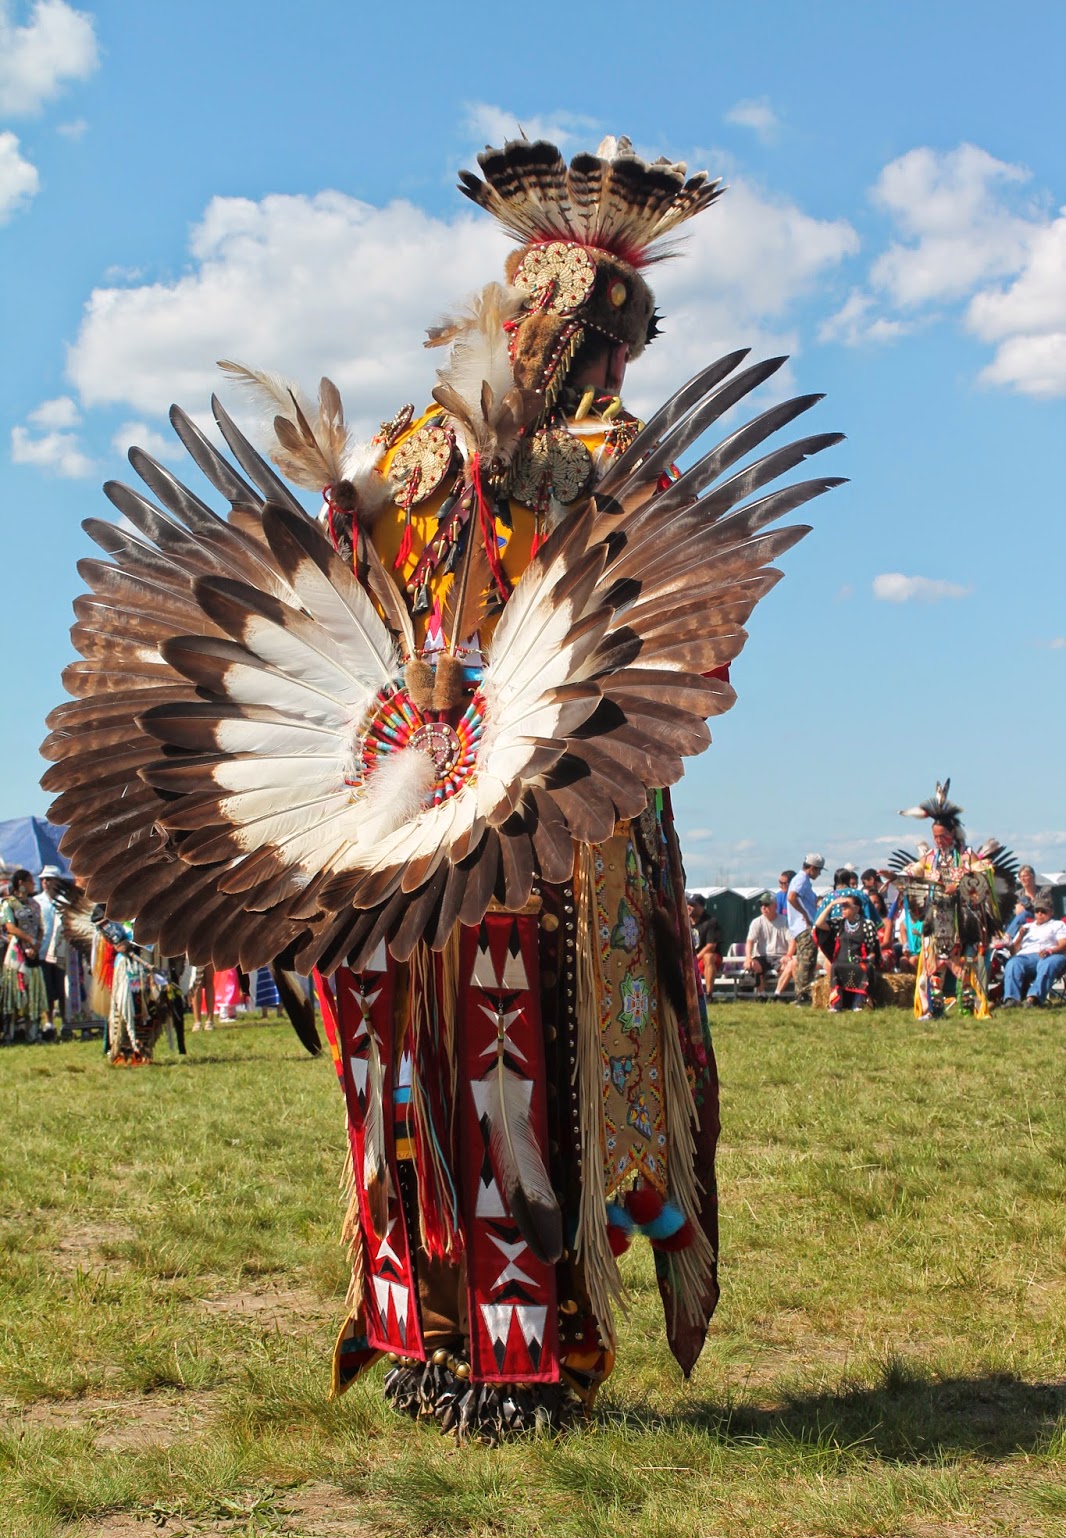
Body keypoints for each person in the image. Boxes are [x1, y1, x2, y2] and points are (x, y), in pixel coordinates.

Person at [44, 134, 842, 1438]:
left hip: (465, 814)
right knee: (470, 1072)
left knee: (463, 1072)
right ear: (590, 335)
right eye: (603, 338)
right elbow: (679, 630)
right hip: (500, 827)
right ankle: (497, 1351)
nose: (589, 359)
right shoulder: (520, 453)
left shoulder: (451, 448)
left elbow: (360, 552)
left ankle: (460, 1341)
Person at [892, 779, 1004, 1020]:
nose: (938, 841)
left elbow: (983, 871)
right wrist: (901, 875)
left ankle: (972, 1007)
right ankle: (931, 1010)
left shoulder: (966, 856)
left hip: (963, 921)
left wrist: (961, 883)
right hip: (936, 919)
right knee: (931, 967)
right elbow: (915, 869)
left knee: (968, 965)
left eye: (942, 836)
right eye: (935, 837)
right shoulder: (930, 857)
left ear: (952, 833)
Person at [814, 891, 881, 1011]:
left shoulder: (867, 925)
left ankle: (858, 1002)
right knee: (835, 966)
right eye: (842, 906)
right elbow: (819, 924)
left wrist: (866, 959)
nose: (842, 909)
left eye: (846, 906)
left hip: (861, 962)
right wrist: (831, 905)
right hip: (841, 961)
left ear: (856, 909)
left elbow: (873, 950)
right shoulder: (839, 923)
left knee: (864, 968)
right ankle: (837, 1003)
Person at [1, 870, 47, 1043]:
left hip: (33, 953)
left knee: (34, 992)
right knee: (13, 993)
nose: (33, 885)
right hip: (16, 953)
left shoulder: (35, 904)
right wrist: (29, 939)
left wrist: (36, 944)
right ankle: (9, 1034)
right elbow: (10, 927)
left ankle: (33, 1034)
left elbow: (41, 927)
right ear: (21, 882)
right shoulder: (9, 904)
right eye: (30, 881)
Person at [1000, 898, 1066, 1008]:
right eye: (1037, 911)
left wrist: (1050, 951)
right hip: (1026, 957)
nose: (1040, 914)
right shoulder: (1027, 927)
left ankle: (1034, 998)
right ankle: (1012, 999)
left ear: (1051, 912)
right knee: (1013, 963)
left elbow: (1063, 944)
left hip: (1052, 955)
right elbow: (1013, 952)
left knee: (1047, 963)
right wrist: (1020, 936)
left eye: (1043, 911)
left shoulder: (1057, 924)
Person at [786, 853, 825, 1005]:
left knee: (807, 960)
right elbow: (792, 897)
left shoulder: (801, 879)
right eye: (819, 870)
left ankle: (805, 994)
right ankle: (802, 995)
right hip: (804, 927)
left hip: (801, 927)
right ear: (812, 868)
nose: (819, 873)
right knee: (806, 961)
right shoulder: (802, 879)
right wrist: (805, 914)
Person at [35, 865, 68, 1036]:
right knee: (47, 989)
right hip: (42, 950)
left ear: (57, 881)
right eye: (43, 879)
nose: (45, 883)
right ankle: (48, 1022)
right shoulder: (37, 901)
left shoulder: (66, 901)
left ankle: (65, 1020)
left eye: (49, 879)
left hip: (62, 952)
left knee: (63, 989)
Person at [744, 892, 790, 998]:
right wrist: (748, 958)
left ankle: (777, 994)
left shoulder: (784, 921)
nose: (764, 908)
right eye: (761, 905)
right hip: (762, 957)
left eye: (766, 905)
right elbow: (750, 941)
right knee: (753, 965)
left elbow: (792, 942)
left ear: (775, 906)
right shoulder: (756, 922)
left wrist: (788, 955)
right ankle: (761, 995)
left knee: (788, 966)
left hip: (780, 956)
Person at [687, 894, 723, 997]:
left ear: (701, 907)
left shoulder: (710, 922)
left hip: (708, 959)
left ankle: (708, 994)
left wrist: (695, 959)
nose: (689, 907)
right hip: (691, 958)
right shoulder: (684, 922)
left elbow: (711, 946)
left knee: (709, 956)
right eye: (688, 904)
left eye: (693, 905)